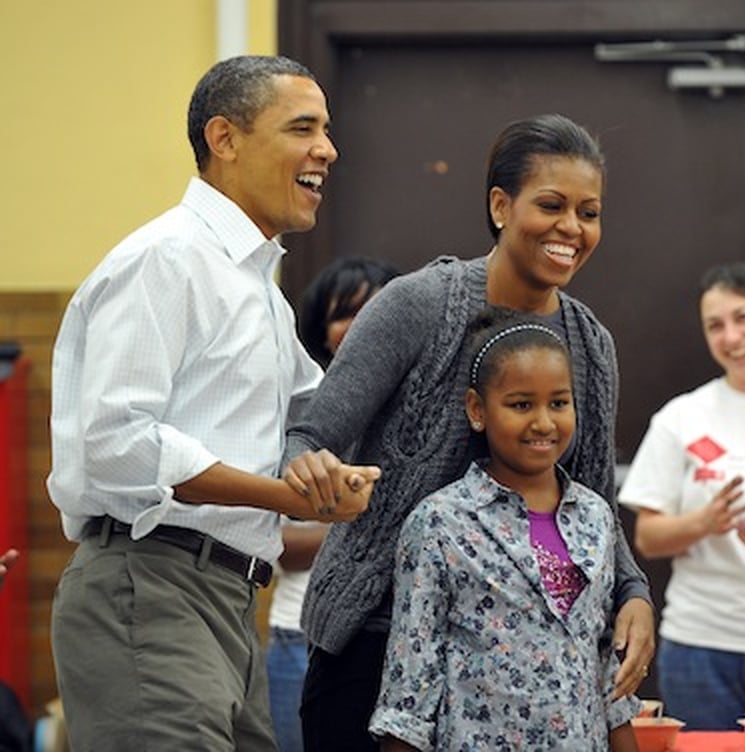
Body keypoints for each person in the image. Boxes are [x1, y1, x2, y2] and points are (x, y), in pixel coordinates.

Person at [282, 113, 655, 752]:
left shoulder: (591, 345)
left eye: (588, 212)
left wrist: (633, 591)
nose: (572, 228)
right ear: (500, 205)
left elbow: (589, 507)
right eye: (552, 205)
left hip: (515, 671)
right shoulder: (417, 304)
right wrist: (316, 471)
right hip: (375, 646)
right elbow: (308, 435)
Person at [47, 55, 378, 752]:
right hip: (149, 584)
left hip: (226, 599)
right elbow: (118, 441)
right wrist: (284, 497)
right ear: (225, 139)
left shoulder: (255, 283)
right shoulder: (167, 259)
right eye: (303, 128)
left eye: (326, 129)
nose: (328, 149)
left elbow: (317, 412)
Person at [369, 309, 641, 750]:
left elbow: (608, 672)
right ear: (477, 410)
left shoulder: (595, 517)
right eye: (520, 404)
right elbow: (410, 688)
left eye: (559, 402)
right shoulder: (440, 523)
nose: (544, 423)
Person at [618, 262, 745, 730]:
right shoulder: (683, 417)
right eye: (716, 326)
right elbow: (648, 539)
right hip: (699, 645)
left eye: (742, 317)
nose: (731, 337)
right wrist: (705, 521)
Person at [268, 255, 400, 752]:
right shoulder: (304, 419)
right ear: (322, 331)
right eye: (343, 313)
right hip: (298, 638)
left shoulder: (419, 414)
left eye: (375, 310)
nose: (360, 325)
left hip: (394, 643)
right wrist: (370, 527)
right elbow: (280, 546)